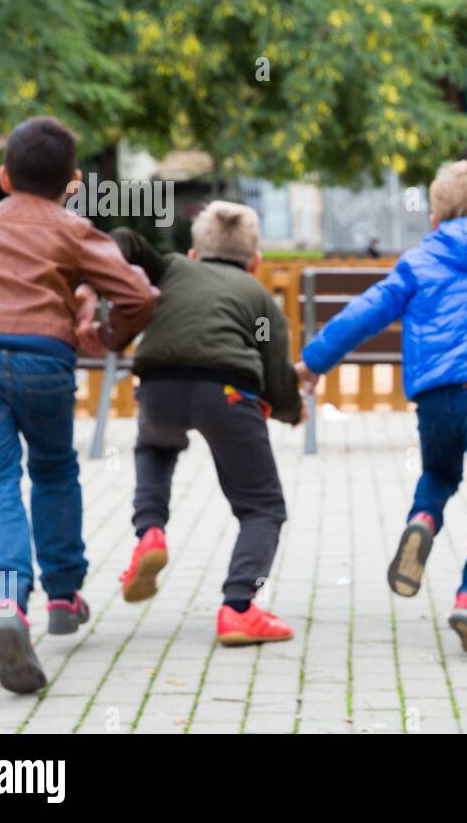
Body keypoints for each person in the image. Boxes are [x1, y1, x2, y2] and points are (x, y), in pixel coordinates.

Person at [295, 161, 467, 653]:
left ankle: (422, 520)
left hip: (435, 398)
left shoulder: (420, 261)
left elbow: (365, 312)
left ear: (435, 218)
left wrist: (313, 363)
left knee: (440, 476)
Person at [0, 116, 158, 693]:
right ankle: (64, 595)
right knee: (54, 470)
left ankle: (7, 604)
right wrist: (105, 337)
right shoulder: (73, 227)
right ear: (74, 182)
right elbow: (140, 293)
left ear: (5, 176)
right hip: (43, 360)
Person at [107, 201, 305, 646]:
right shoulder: (257, 301)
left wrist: (97, 270)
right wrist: (291, 410)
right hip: (227, 391)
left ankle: (150, 533)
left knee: (156, 448)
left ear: (195, 253)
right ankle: (239, 608)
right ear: (255, 262)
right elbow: (275, 373)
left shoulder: (173, 268)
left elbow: (126, 241)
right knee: (263, 507)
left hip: (157, 383)